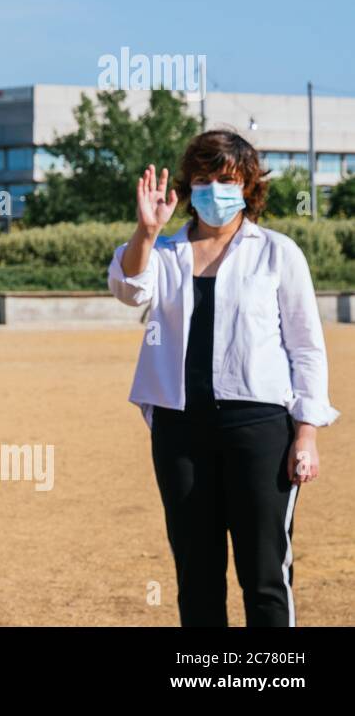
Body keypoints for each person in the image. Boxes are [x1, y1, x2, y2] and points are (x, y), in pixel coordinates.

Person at [108, 130, 338, 627]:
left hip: (259, 430)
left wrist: (307, 435)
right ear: (189, 187)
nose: (214, 188)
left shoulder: (277, 252)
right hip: (180, 432)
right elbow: (129, 290)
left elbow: (306, 349)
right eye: (203, 179)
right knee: (197, 577)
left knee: (265, 576)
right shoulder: (164, 252)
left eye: (226, 178)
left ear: (248, 185)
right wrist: (145, 233)